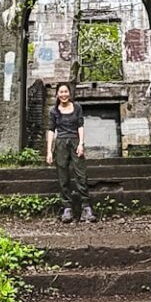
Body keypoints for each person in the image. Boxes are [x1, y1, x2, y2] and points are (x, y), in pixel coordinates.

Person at [46, 82, 93, 223]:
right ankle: (67, 208)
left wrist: (81, 143)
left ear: (69, 93)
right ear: (57, 94)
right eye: (61, 92)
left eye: (66, 91)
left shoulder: (77, 108)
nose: (64, 94)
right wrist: (49, 151)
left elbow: (80, 126)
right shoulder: (54, 111)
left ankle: (86, 208)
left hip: (75, 142)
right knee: (63, 175)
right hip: (60, 143)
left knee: (81, 174)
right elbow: (51, 130)